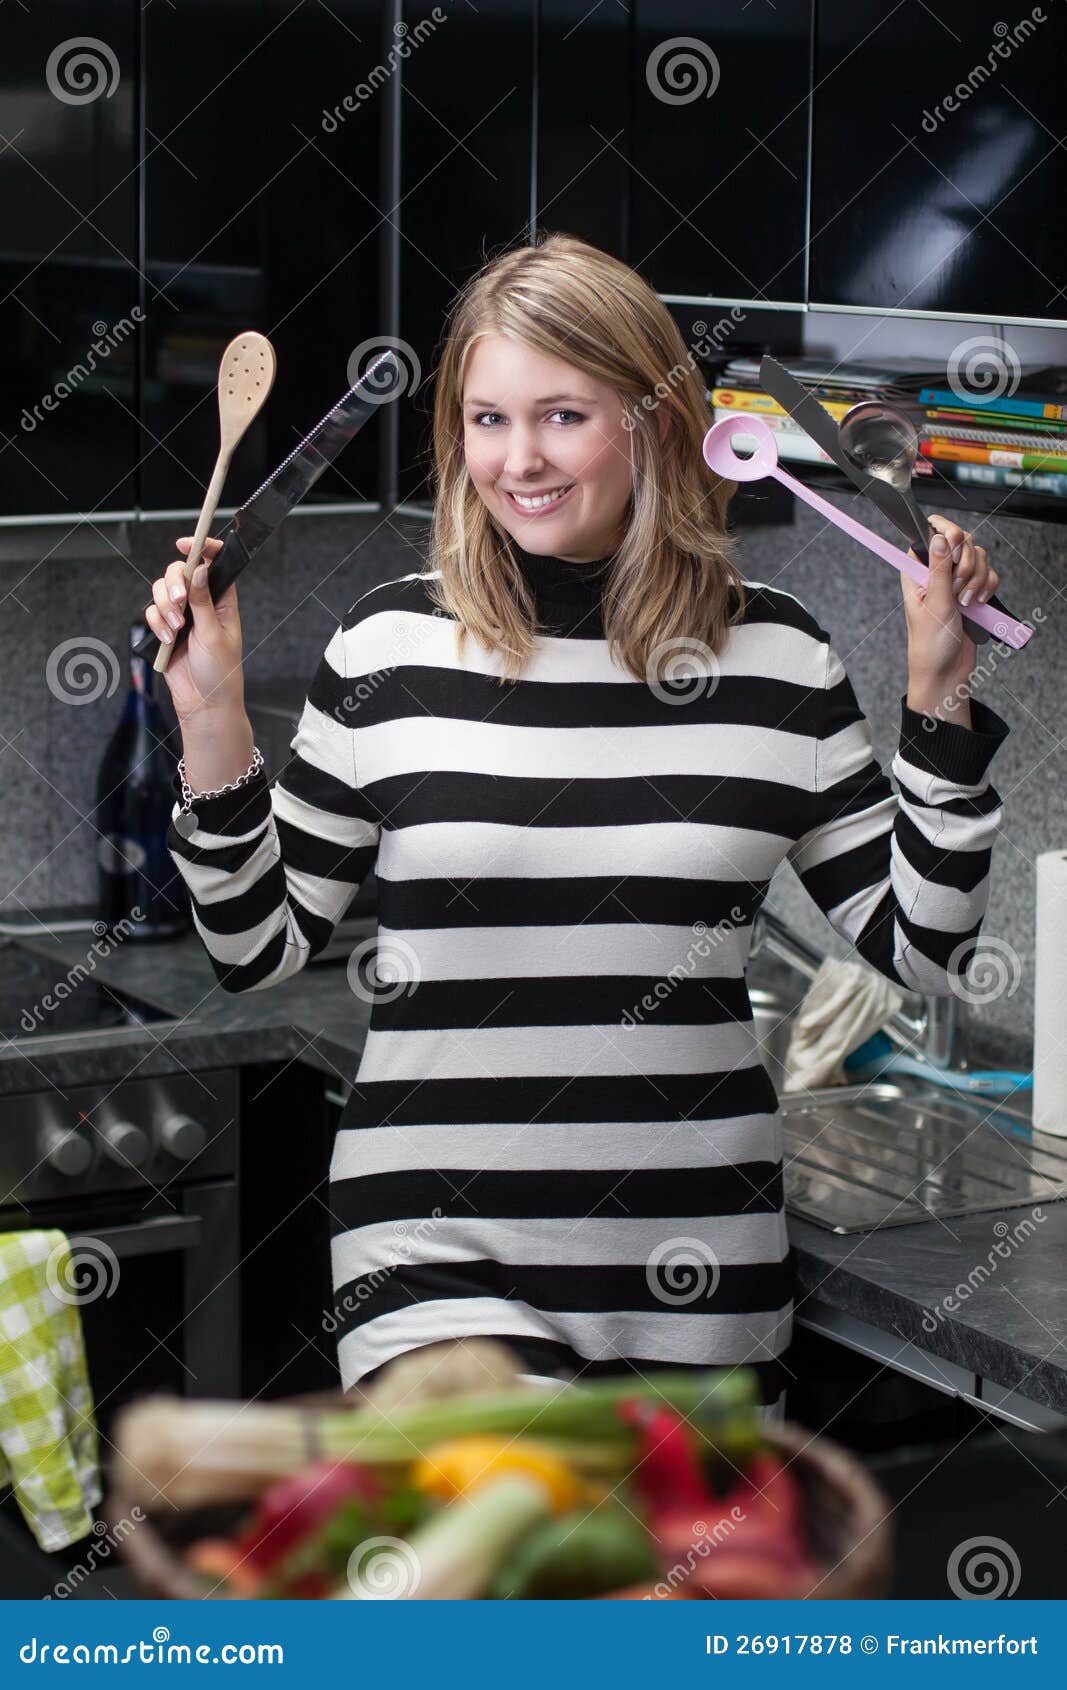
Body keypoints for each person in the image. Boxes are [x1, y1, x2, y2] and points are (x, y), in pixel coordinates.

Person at [148, 233, 1010, 1421]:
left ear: (655, 421)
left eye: (560, 415)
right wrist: (209, 717)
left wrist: (938, 694)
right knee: (500, 1584)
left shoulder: (780, 654)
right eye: (487, 420)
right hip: (433, 1262)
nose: (516, 460)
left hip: (695, 1273)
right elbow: (255, 947)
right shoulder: (390, 645)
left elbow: (923, 946)